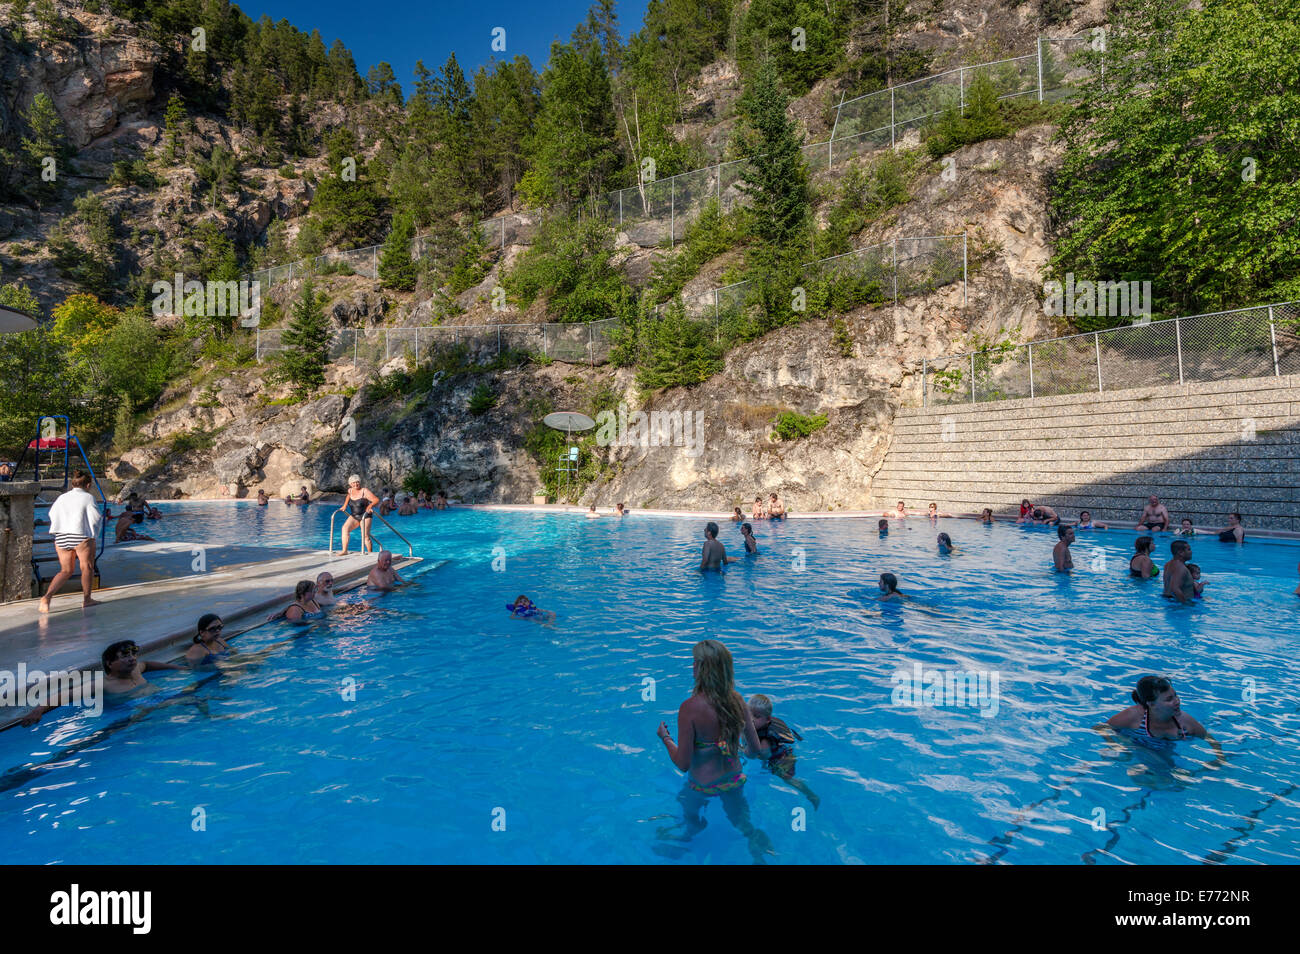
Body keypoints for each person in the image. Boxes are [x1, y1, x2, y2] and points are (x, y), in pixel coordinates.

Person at [655, 640, 774, 862]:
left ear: (702, 668)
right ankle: (758, 851)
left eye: (695, 662)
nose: (692, 666)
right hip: (735, 778)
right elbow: (755, 750)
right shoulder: (738, 700)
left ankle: (686, 845)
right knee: (743, 823)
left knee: (691, 823)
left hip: (702, 785)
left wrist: (666, 738)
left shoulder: (689, 708)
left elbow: (683, 764)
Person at [1104, 675, 1220, 758]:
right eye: (1169, 699)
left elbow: (1211, 740)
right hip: (1134, 743)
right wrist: (1114, 744)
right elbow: (1101, 728)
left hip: (1161, 749)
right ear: (1151, 704)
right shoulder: (1135, 716)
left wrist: (1219, 761)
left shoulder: (1184, 722)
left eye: (1175, 696)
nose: (1177, 701)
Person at [39, 471, 104, 613]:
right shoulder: (88, 497)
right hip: (80, 536)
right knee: (86, 567)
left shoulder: (62, 497)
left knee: (66, 570)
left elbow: (52, 514)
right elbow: (96, 518)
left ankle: (47, 597)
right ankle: (87, 600)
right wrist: (92, 535)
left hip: (61, 536)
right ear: (88, 484)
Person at [748, 694, 819, 809]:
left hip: (781, 761)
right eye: (749, 714)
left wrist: (745, 751)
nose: (751, 719)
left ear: (768, 720)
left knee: (787, 779)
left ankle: (812, 795)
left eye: (756, 716)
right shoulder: (765, 726)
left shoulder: (764, 740)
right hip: (785, 750)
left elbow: (765, 756)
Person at [337, 475, 379, 555]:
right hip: (354, 516)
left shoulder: (364, 491)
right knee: (345, 528)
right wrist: (344, 506)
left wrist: (370, 506)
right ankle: (344, 550)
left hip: (365, 516)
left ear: (359, 482)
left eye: (357, 482)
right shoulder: (350, 491)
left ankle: (370, 554)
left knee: (365, 536)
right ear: (350, 484)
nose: (355, 484)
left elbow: (376, 499)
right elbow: (348, 496)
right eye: (353, 483)